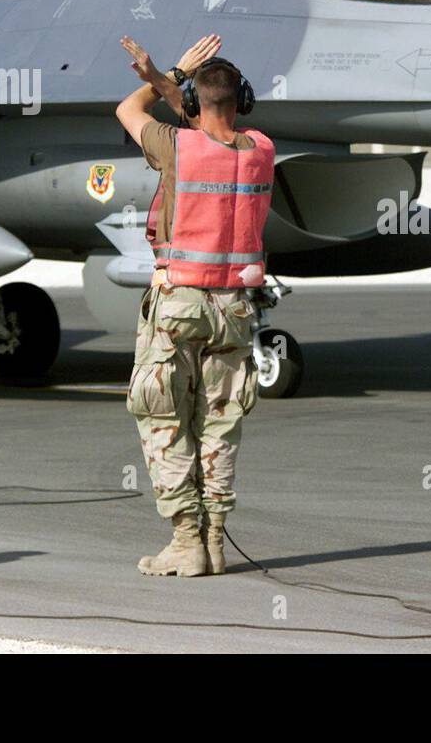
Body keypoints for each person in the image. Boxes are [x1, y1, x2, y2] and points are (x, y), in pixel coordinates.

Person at [115, 33, 276, 577]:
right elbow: (209, 124)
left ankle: (185, 538)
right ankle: (213, 541)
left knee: (160, 415)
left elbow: (128, 109)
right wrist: (174, 82)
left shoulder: (179, 147)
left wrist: (173, 72)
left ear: (194, 102)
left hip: (179, 303)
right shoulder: (261, 151)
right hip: (235, 309)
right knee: (220, 423)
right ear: (243, 102)